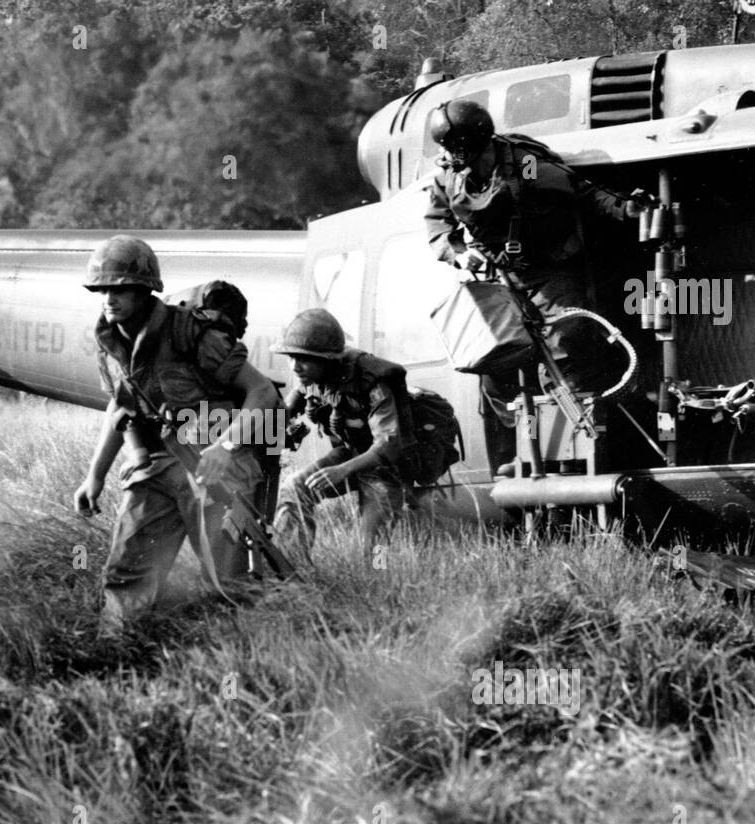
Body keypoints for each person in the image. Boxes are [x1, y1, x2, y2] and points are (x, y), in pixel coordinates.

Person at [73, 234, 282, 636]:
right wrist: (94, 476)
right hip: (158, 466)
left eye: (119, 290)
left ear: (145, 290)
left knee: (227, 580)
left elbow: (263, 393)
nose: (108, 299)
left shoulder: (192, 333)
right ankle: (115, 651)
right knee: (127, 569)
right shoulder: (109, 342)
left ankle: (242, 655)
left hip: (217, 465)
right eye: (102, 290)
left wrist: (227, 445)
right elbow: (120, 406)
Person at [424, 99, 646, 468]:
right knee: (493, 363)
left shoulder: (523, 164)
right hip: (497, 278)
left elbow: (581, 190)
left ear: (480, 143)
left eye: (462, 151)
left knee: (566, 342)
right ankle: (521, 452)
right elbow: (438, 224)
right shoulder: (447, 176)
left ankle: (569, 454)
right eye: (450, 151)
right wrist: (459, 254)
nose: (455, 159)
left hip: (547, 269)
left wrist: (623, 209)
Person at [271, 308, 416, 556]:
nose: (295, 366)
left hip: (385, 468)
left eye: (303, 358)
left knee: (372, 548)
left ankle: (380, 580)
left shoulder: (371, 379)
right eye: (291, 357)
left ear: (327, 358)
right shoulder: (310, 376)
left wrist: (342, 471)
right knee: (295, 487)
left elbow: (389, 443)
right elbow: (282, 414)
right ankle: (288, 567)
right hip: (349, 455)